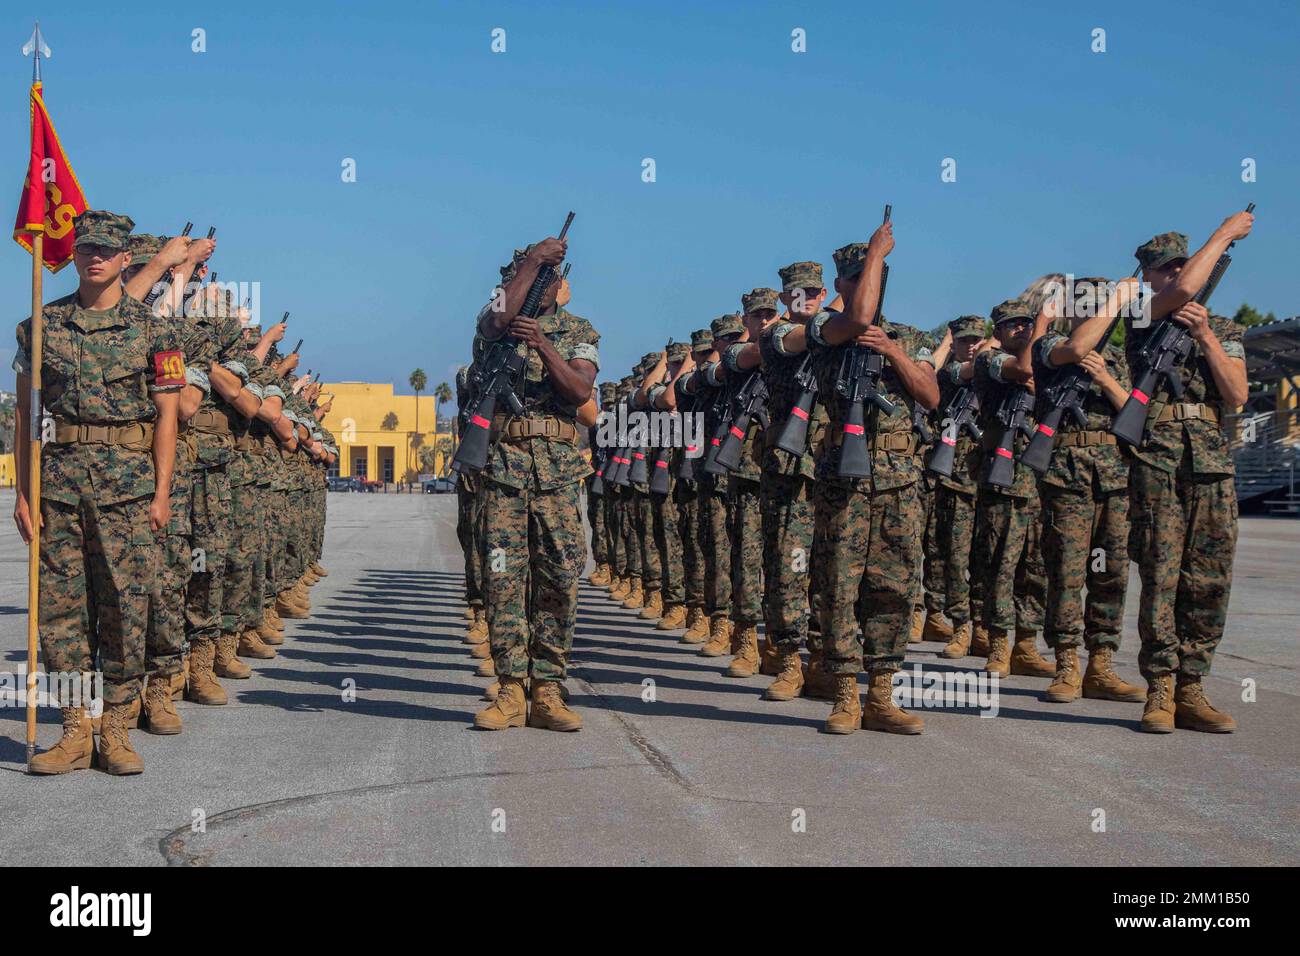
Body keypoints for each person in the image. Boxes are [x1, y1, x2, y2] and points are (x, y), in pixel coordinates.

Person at [14, 210, 186, 775]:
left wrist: (161, 492)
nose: (95, 257)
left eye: (106, 251)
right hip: (58, 488)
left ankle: (115, 726)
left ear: (124, 260)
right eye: (86, 247)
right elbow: (27, 413)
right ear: (75, 253)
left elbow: (167, 417)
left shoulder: (156, 331)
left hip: (127, 492)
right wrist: (23, 490)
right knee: (60, 614)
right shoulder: (41, 325)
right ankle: (73, 729)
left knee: (123, 607)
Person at [808, 222, 940, 735]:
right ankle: (844, 694)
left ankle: (881, 694)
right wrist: (878, 253)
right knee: (839, 585)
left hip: (899, 481)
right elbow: (858, 316)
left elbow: (930, 396)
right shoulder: (826, 330)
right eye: (858, 275)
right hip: (844, 477)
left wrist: (894, 352)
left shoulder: (910, 336)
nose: (869, 281)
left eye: (876, 273)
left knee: (894, 585)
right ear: (840, 284)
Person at [1125, 211, 1254, 733]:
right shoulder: (1142, 316)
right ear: (1148, 277)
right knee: (1161, 573)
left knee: (1208, 578)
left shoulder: (1222, 328)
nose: (1176, 274)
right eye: (1166, 268)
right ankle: (1159, 687)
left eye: (1182, 265)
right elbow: (1179, 294)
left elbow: (1238, 395)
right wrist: (1222, 233)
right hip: (1158, 457)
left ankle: (1191, 686)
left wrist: (1207, 340)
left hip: (1211, 467)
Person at [471, 236, 599, 732]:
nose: (538, 286)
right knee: (503, 579)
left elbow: (580, 389)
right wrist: (530, 261)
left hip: (559, 473)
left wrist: (543, 345)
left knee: (562, 576)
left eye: (548, 278)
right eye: (528, 277)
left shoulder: (577, 330)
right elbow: (495, 319)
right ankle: (509, 689)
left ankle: (548, 687)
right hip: (504, 469)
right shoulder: (494, 323)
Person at [1030, 276, 1146, 705]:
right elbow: (1077, 349)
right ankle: (1066, 664)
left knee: (1110, 571)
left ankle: (1101, 664)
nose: (1093, 309)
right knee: (1066, 571)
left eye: (1100, 303)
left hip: (1114, 478)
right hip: (1066, 476)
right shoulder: (1050, 348)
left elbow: (1140, 414)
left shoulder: (1121, 356)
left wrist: (1108, 380)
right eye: (1086, 303)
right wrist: (1115, 302)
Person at [970, 299, 1054, 679]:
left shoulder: (1047, 360)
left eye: (1027, 324)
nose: (1021, 330)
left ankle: (1026, 644)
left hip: (1041, 480)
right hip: (1003, 481)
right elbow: (1023, 369)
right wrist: (1045, 321)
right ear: (998, 333)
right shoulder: (989, 363)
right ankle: (998, 644)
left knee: (1036, 568)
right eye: (1013, 325)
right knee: (1000, 566)